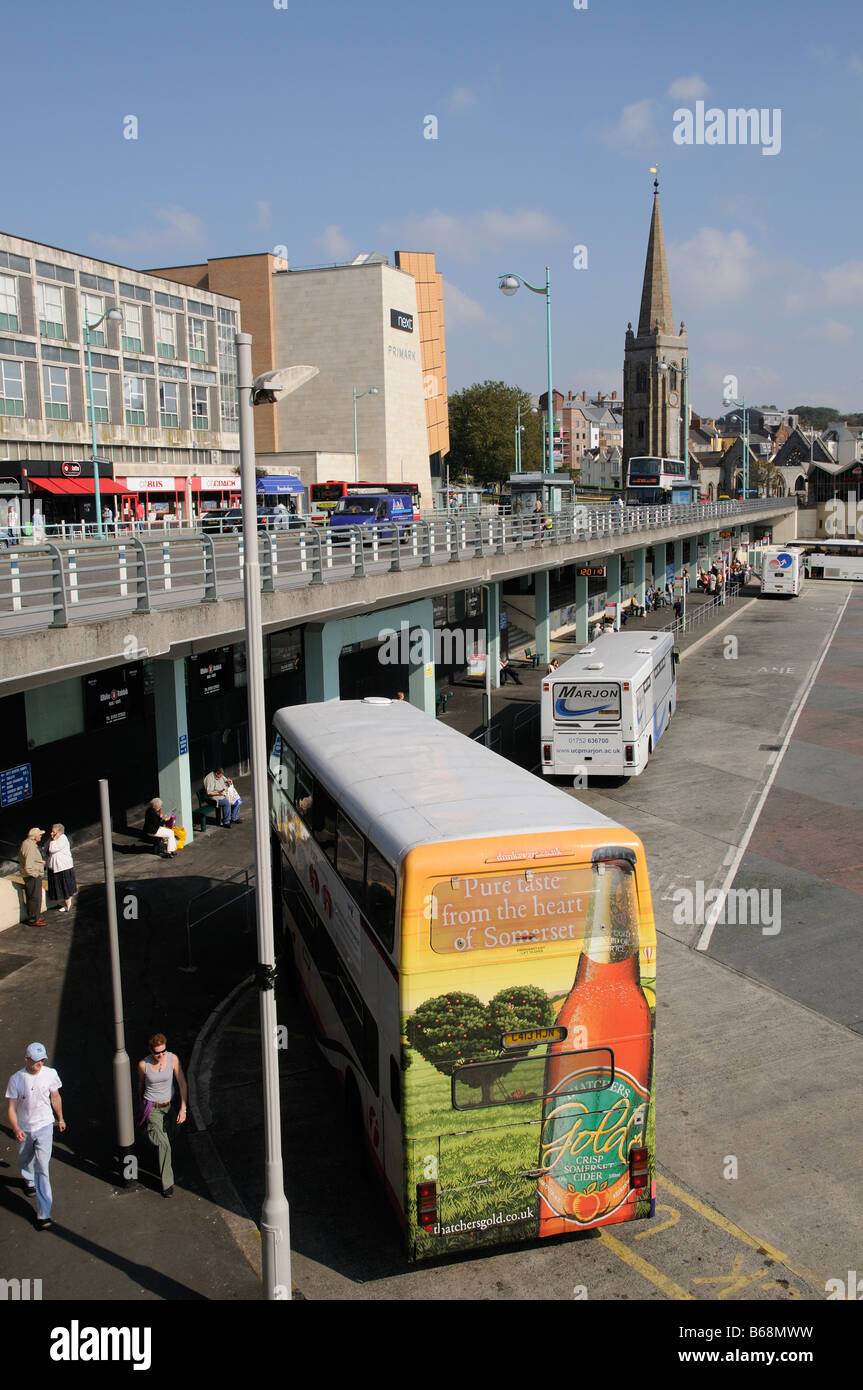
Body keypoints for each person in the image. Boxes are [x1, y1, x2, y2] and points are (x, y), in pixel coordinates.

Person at [6, 1042, 65, 1230]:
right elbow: (11, 1108)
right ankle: (28, 1180)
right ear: (27, 1059)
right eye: (36, 1061)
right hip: (25, 1128)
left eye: (43, 1060)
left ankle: (43, 1214)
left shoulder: (50, 1074)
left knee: (43, 1167)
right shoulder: (16, 1079)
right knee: (25, 1158)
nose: (40, 1063)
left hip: (45, 1126)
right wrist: (16, 1128)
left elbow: (55, 1097)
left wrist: (60, 1118)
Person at [137, 1034, 187, 1198]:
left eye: (163, 1051)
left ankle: (155, 1142)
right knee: (164, 1144)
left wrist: (183, 1109)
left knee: (171, 1136)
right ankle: (167, 1184)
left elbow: (182, 1083)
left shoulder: (172, 1059)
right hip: (153, 1108)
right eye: (157, 1053)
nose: (161, 1055)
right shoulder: (143, 1065)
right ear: (151, 1051)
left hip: (170, 1106)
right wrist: (141, 1104)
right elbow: (141, 1085)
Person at [18, 827, 46, 927]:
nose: (41, 836)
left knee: (33, 897)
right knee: (35, 897)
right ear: (34, 837)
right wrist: (35, 874)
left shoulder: (28, 843)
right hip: (32, 876)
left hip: (31, 875)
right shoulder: (30, 846)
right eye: (40, 834)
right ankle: (33, 919)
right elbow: (29, 865)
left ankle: (35, 916)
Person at [46, 823, 76, 913]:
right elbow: (46, 850)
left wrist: (53, 840)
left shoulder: (62, 838)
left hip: (62, 867)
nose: (51, 833)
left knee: (64, 886)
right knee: (57, 887)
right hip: (55, 868)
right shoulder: (53, 839)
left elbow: (52, 849)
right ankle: (64, 904)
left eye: (53, 832)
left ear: (59, 832)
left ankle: (68, 904)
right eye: (51, 831)